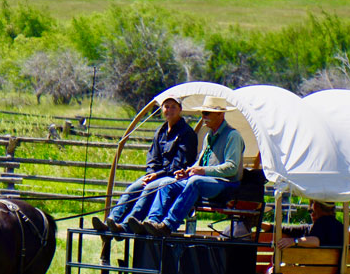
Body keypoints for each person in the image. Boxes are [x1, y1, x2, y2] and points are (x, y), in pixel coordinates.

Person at [139, 96, 244, 236]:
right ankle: (153, 223)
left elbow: (232, 168)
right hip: (207, 182)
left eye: (207, 113)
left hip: (227, 184)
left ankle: (168, 225)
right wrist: (188, 172)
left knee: (195, 181)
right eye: (202, 113)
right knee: (167, 183)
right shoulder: (209, 136)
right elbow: (200, 162)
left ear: (220, 114)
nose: (204, 117)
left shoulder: (232, 135)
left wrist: (202, 171)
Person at [93, 96, 197, 234]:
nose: (169, 110)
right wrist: (151, 173)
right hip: (156, 175)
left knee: (149, 188)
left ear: (180, 110)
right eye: (166, 106)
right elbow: (152, 157)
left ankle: (125, 226)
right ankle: (110, 222)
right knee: (132, 189)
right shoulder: (160, 131)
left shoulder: (187, 133)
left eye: (173, 107)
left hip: (175, 177)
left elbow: (180, 163)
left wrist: (157, 175)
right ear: (161, 109)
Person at [277, 200, 343, 249]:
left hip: (314, 266)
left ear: (318, 207)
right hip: (337, 267)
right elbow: (291, 229)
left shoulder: (321, 223)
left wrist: (294, 241)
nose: (311, 214)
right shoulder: (341, 226)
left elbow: (315, 241)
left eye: (312, 211)